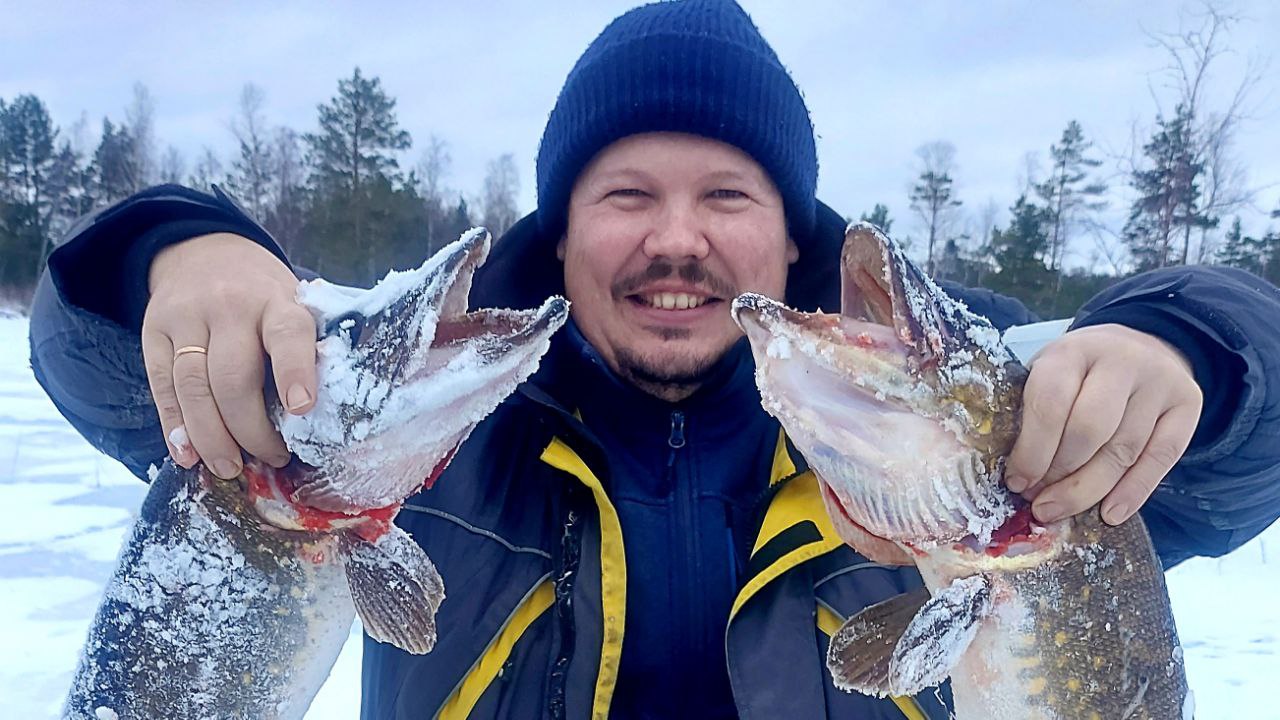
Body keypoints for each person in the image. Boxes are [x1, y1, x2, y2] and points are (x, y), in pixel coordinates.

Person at [28, 1, 1280, 718]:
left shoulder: (995, 440)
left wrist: (1185, 345)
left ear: (791, 235)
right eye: (625, 192)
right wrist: (171, 252)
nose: (676, 239)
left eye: (726, 194)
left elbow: (1248, 444)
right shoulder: (434, 412)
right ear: (561, 230)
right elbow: (91, 363)